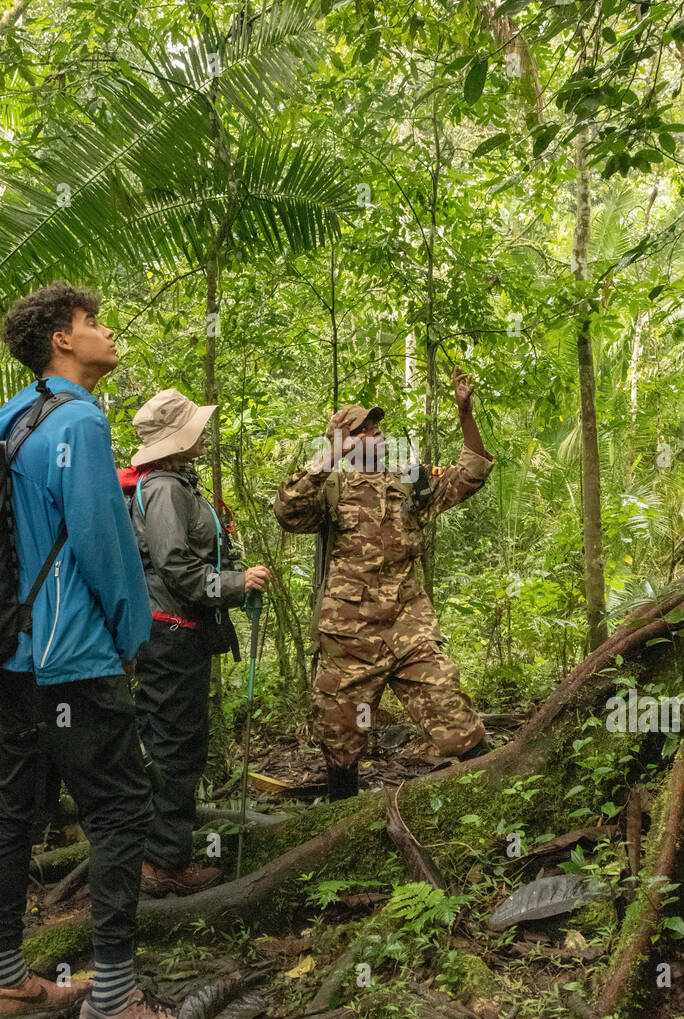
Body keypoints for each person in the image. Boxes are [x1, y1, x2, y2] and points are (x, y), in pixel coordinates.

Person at [0, 282, 177, 1019]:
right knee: (116, 809)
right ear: (62, 341)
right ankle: (113, 1004)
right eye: (93, 322)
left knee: (13, 811)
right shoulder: (77, 420)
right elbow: (104, 544)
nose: (106, 332)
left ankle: (8, 978)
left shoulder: (9, 415)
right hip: (73, 656)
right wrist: (135, 634)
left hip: (12, 656)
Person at [274, 367, 494, 799]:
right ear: (342, 442)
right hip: (348, 638)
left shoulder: (409, 483)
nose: (375, 435)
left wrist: (465, 415)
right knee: (341, 740)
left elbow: (469, 475)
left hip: (410, 629)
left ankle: (493, 801)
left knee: (454, 717)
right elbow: (288, 512)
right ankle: (340, 820)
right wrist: (327, 455)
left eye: (377, 428)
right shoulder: (329, 488)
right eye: (362, 431)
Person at [125, 388, 271, 896]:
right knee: (174, 748)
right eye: (194, 427)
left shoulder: (177, 483)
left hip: (177, 632)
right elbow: (175, 566)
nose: (203, 433)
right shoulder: (165, 488)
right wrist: (236, 584)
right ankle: (161, 864)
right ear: (175, 439)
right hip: (168, 634)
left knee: (178, 743)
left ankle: (161, 853)